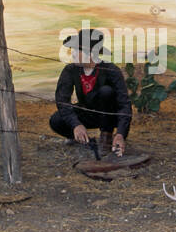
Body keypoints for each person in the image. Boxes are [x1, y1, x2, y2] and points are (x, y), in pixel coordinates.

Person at [50, 28, 132, 157]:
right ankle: (81, 137)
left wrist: (121, 133)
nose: (73, 54)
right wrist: (76, 124)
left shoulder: (111, 70)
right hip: (87, 113)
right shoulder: (71, 70)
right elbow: (62, 101)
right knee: (56, 120)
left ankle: (107, 136)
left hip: (110, 115)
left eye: (78, 50)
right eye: (73, 50)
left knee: (106, 91)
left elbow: (124, 104)